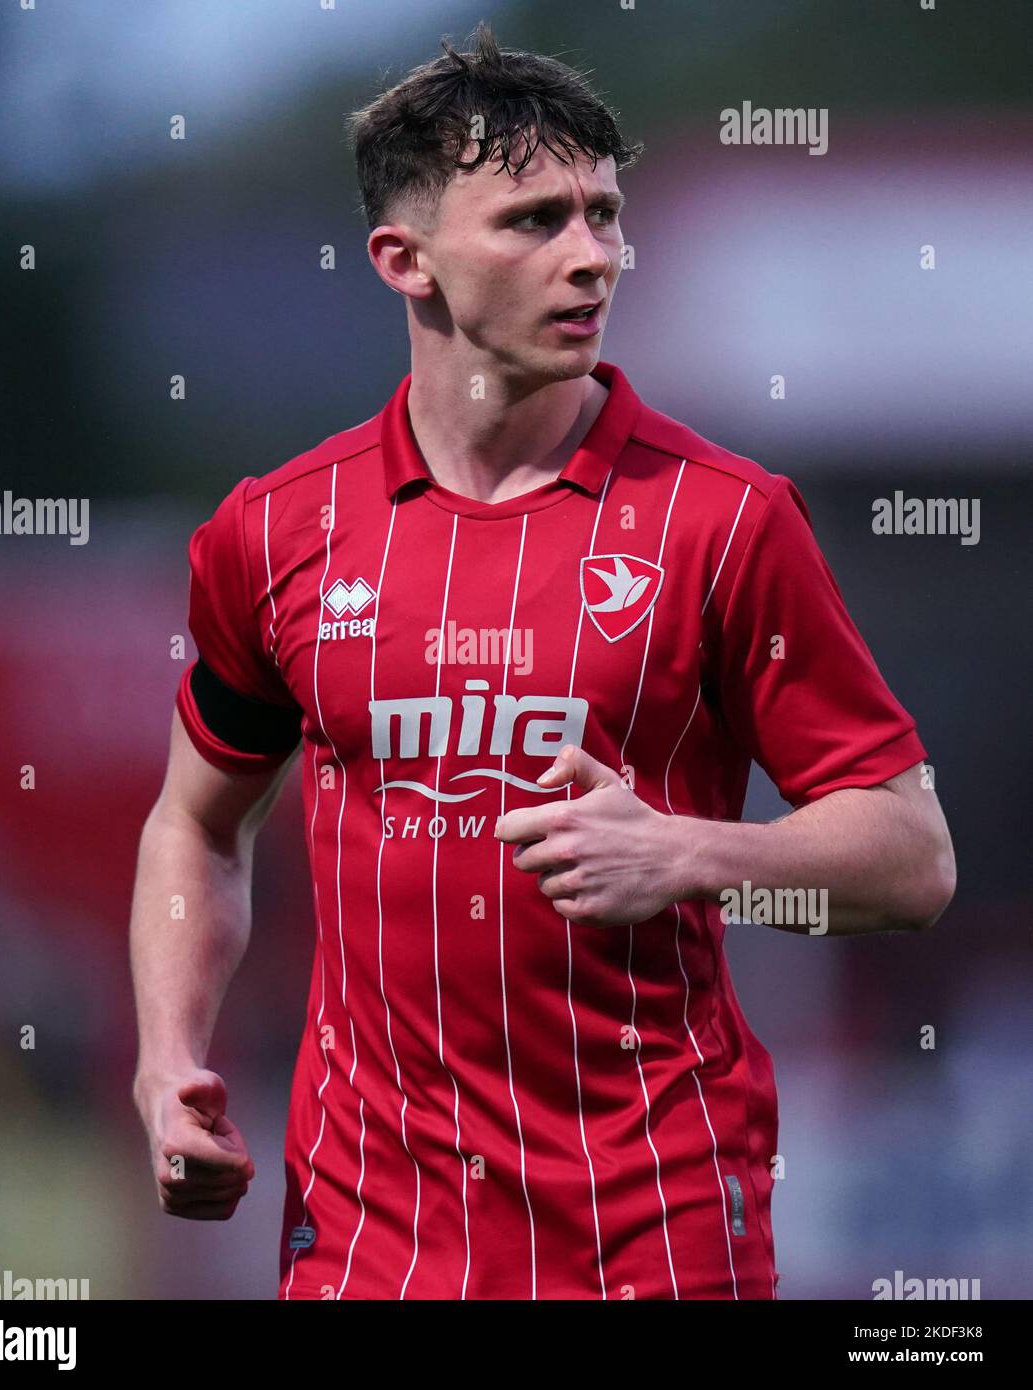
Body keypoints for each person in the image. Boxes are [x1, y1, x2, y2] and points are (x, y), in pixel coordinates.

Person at [130, 22, 956, 1300]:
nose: (591, 257)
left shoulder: (724, 521)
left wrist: (693, 854)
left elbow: (912, 857)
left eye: (603, 213)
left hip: (658, 1230)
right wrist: (166, 1054)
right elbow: (197, 821)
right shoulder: (277, 531)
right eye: (532, 221)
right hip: (366, 1239)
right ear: (403, 261)